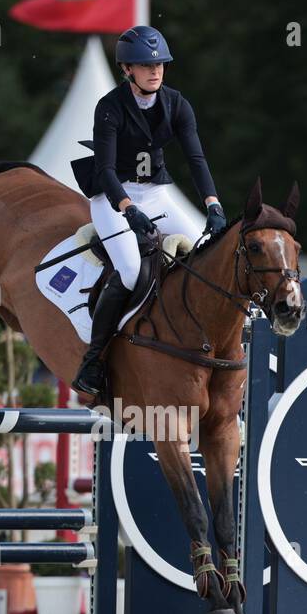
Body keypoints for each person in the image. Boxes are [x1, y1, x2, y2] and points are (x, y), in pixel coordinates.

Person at [68, 24, 226, 396]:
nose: (155, 71)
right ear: (127, 69)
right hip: (112, 197)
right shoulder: (109, 107)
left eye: (160, 65)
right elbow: (105, 171)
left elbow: (196, 159)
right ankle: (94, 360)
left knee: (212, 252)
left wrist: (213, 205)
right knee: (129, 269)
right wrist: (127, 210)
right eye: (145, 65)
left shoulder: (177, 104)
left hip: (158, 193)